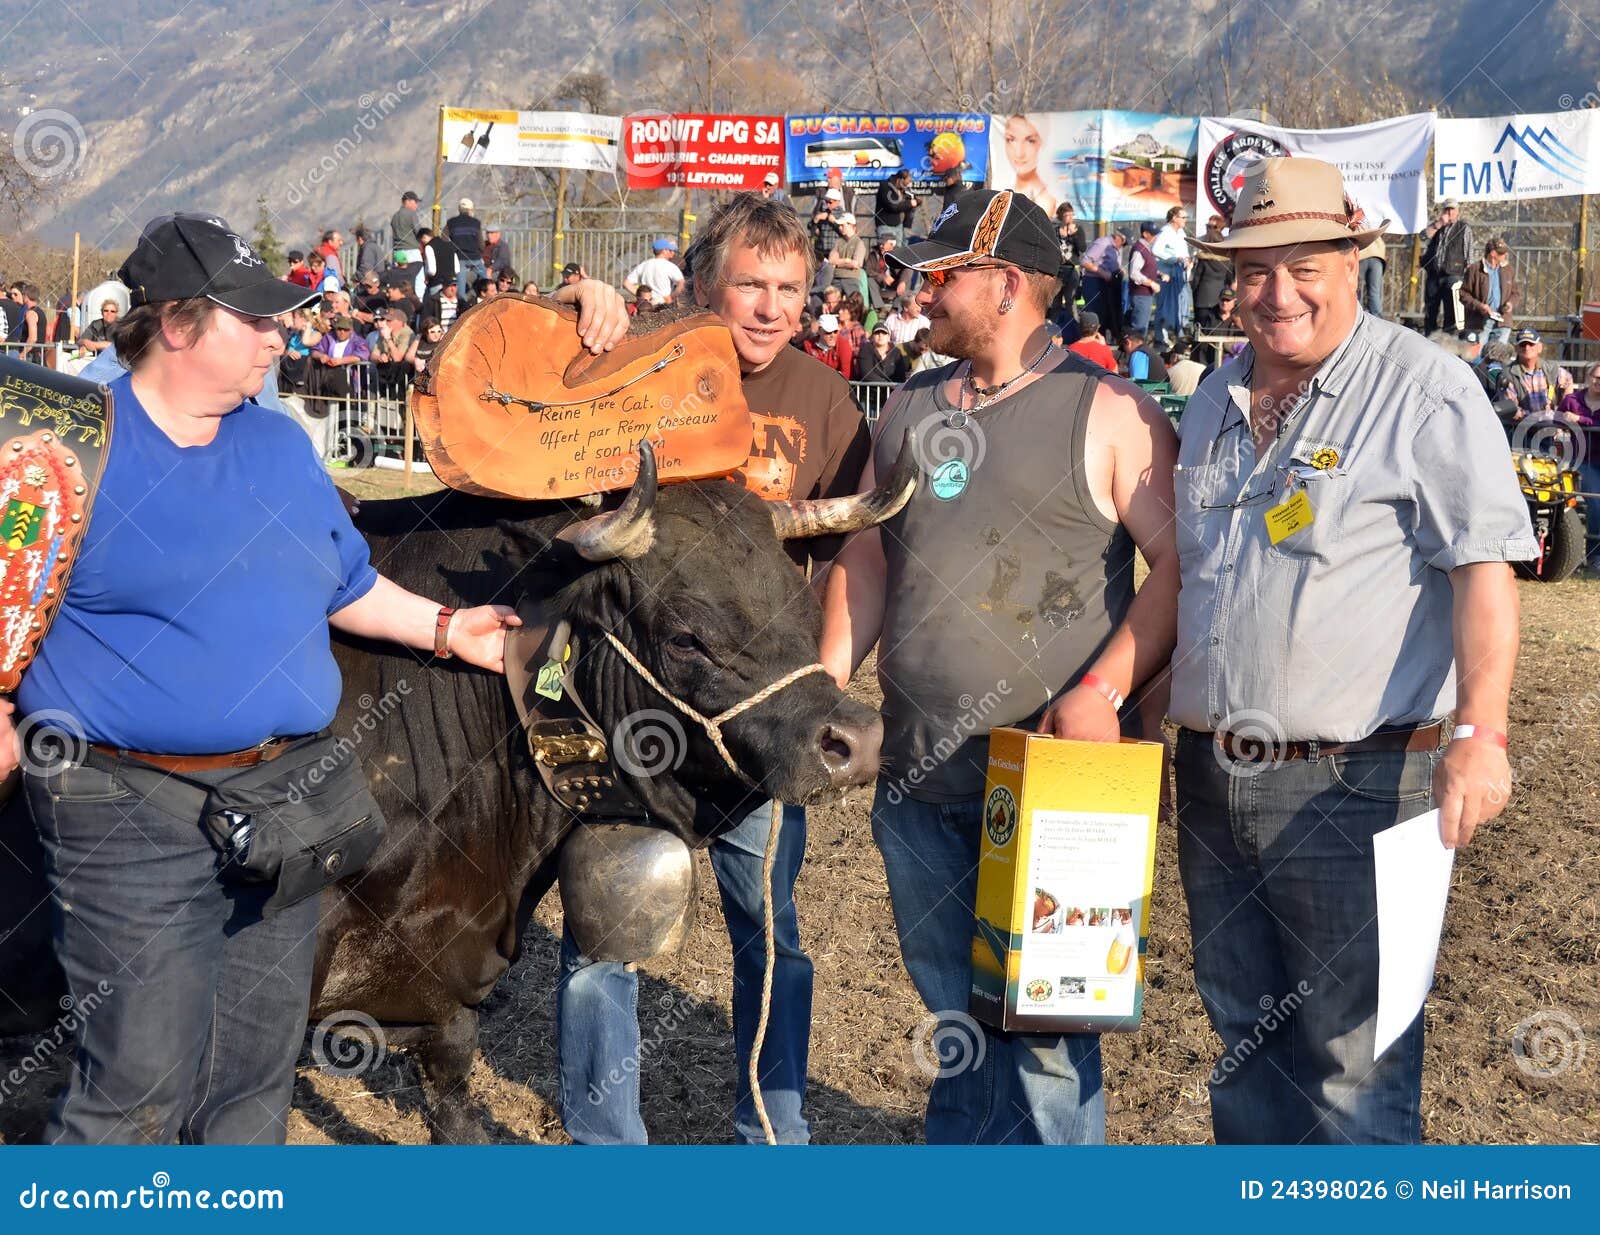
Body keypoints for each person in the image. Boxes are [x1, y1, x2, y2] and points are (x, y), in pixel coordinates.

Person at [0, 212, 558, 1145]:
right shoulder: (64, 454)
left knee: (253, 1088)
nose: (278, 335)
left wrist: (449, 626)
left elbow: (344, 582)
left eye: (280, 318)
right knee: (136, 1087)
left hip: (282, 797)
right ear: (177, 325)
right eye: (253, 319)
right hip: (125, 807)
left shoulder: (279, 446)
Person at [1169, 157, 1534, 1146]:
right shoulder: (1209, 400)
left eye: (1303, 266)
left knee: (1354, 1070)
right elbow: (1192, 580)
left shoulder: (1424, 388)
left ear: (1353, 262)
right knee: (1242, 1041)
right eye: (1253, 270)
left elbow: (1484, 569)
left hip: (1360, 783)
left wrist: (1482, 732)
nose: (1275, 292)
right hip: (1208, 775)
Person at [821, 188, 1178, 1145]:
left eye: (941, 274)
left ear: (1007, 283)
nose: (918, 290)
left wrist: (1104, 689)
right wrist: (825, 684)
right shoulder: (906, 407)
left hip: (1058, 789)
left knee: (1050, 1039)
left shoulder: (1111, 411)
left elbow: (1184, 566)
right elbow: (866, 553)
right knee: (956, 1021)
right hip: (918, 773)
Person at [554, 192, 872, 1147]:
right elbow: (521, 379)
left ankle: (773, 1127)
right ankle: (606, 1139)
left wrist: (826, 672)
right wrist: (580, 300)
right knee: (603, 929)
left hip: (758, 718)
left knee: (768, 929)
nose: (770, 307)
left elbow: (858, 545)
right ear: (702, 284)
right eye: (749, 285)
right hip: (634, 706)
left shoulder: (822, 398)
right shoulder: (636, 362)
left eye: (790, 288)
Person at [1557, 362, 1600, 566]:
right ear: (1588, 377)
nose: (1598, 381)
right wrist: (1562, 423)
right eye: (1595, 377)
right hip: (1583, 461)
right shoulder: (1572, 399)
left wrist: (1581, 420)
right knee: (1595, 504)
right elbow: (1556, 421)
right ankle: (1594, 556)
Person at [1496, 328, 1572, 421]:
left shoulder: (1552, 369)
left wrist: (1561, 411)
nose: (1527, 348)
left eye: (1531, 344)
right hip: (1520, 429)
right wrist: (1535, 418)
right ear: (1516, 348)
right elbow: (1508, 409)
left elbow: (1568, 380)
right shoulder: (1507, 375)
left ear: (1540, 347)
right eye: (1523, 344)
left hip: (1552, 426)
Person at [1421, 198, 1472, 335]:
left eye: (1452, 210)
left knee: (1451, 309)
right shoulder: (1437, 226)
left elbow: (1468, 252)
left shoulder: (1463, 228)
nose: (1449, 212)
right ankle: (1429, 335)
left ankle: (1449, 338)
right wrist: (1439, 224)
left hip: (1453, 274)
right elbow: (1423, 236)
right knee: (1430, 308)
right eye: (1447, 209)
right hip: (1434, 273)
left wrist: (1466, 272)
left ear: (1457, 212)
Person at [1460, 238, 1517, 345]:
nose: (1505, 255)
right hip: (1479, 323)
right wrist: (1479, 306)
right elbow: (1463, 294)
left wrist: (1510, 304)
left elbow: (1515, 293)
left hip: (1503, 322)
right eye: (1502, 253)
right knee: (1476, 356)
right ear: (1493, 253)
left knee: (1498, 356)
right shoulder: (1474, 270)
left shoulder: (1509, 270)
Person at [1000, 114, 1057, 215]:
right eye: (1011, 139)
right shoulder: (1002, 190)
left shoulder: (1045, 201)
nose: (1019, 153)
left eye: (1030, 141)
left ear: (1042, 143)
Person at [1151, 205, 1191, 344]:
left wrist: (1187, 260)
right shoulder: (1164, 232)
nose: (1185, 220)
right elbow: (1155, 250)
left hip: (1179, 276)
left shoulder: (1181, 233)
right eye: (1183, 217)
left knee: (1180, 305)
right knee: (1163, 306)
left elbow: (1184, 252)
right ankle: (1160, 337)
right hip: (1166, 276)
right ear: (1174, 218)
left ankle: (1178, 335)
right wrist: (1174, 259)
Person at [1079, 230, 1126, 339]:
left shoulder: (1117, 249)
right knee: (1096, 314)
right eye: (1124, 243)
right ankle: (1092, 341)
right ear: (1119, 238)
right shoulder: (1103, 243)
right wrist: (1103, 273)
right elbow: (1085, 262)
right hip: (1094, 282)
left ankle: (1103, 340)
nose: (1124, 246)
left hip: (1108, 284)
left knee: (1106, 315)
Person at [1190, 217, 1232, 329]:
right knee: (1214, 328)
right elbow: (1229, 279)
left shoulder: (1203, 260)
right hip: (1219, 298)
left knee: (1200, 327)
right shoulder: (1227, 261)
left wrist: (1193, 291)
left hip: (1202, 298)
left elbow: (1196, 281)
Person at [622, 237, 685, 307]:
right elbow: (681, 284)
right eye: (670, 250)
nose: (672, 252)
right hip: (664, 304)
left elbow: (626, 283)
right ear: (664, 250)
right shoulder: (670, 266)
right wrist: (671, 297)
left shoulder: (644, 265)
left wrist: (642, 297)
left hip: (647, 305)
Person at [1051, 202, 1086, 325]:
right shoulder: (1055, 230)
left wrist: (1074, 235)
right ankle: (1052, 330)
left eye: (1072, 215)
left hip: (1072, 269)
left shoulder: (1078, 229)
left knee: (1071, 302)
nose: (1070, 218)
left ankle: (1075, 328)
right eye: (1067, 215)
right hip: (1058, 270)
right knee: (1055, 302)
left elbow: (1082, 248)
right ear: (1061, 216)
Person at [445, 197, 485, 297]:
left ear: (459, 209)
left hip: (459, 258)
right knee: (485, 279)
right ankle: (483, 297)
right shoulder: (476, 223)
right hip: (474, 258)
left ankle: (462, 307)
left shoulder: (451, 222)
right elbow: (481, 244)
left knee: (461, 288)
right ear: (470, 209)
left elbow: (444, 239)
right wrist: (481, 253)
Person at [1126, 222, 1162, 334]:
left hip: (1145, 295)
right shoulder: (1139, 249)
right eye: (1153, 234)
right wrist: (1151, 283)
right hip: (1140, 295)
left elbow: (1146, 268)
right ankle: (1136, 351)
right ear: (1145, 234)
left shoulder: (1146, 249)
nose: (1155, 237)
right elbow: (1134, 273)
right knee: (1139, 330)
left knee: (1142, 328)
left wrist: (1159, 274)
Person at [826, 213, 867, 296]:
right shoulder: (838, 241)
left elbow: (856, 264)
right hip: (836, 278)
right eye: (839, 225)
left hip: (851, 279)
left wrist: (838, 262)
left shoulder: (859, 243)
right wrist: (847, 260)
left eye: (842, 225)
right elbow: (831, 260)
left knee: (853, 303)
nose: (840, 228)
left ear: (851, 225)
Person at [874, 169, 918, 246]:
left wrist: (916, 201)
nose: (907, 186)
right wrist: (910, 203)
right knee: (887, 252)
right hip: (885, 226)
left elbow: (910, 202)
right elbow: (892, 206)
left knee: (899, 253)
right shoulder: (885, 186)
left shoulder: (903, 189)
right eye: (906, 183)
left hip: (899, 225)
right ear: (900, 180)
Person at [804, 311, 853, 380]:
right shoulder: (809, 345)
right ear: (820, 331)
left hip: (838, 386)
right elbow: (810, 372)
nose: (832, 335)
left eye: (835, 331)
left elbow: (846, 374)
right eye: (828, 332)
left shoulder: (844, 345)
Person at [1357, 232, 1386, 318]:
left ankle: (1358, 318)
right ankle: (1378, 320)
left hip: (1361, 257)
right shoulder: (1375, 225)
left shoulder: (1358, 223)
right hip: (1377, 258)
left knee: (1356, 290)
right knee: (1374, 293)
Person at [391, 189, 423, 264]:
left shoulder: (395, 216)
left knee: (400, 275)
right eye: (415, 202)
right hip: (411, 252)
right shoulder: (411, 214)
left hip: (398, 253)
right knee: (418, 275)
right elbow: (419, 232)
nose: (416, 205)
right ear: (407, 201)